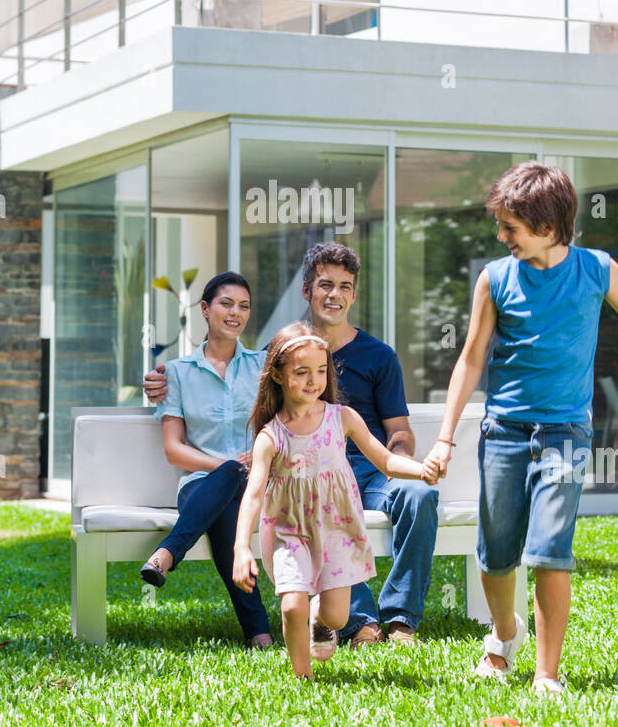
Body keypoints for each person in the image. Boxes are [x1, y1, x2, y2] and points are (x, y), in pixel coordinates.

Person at [424, 162, 618, 695]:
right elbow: (470, 358)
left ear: (549, 227)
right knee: (497, 553)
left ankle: (546, 674)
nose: (502, 236)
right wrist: (444, 437)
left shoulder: (597, 270)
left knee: (551, 548)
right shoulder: (496, 278)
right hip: (504, 430)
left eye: (511, 227)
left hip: (566, 433)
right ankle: (504, 633)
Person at [144, 242, 439, 648]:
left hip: (371, 467)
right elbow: (230, 380)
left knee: (419, 495)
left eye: (344, 286)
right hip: (308, 470)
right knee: (318, 504)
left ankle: (402, 619)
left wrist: (401, 461)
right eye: (325, 285)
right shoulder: (276, 357)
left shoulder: (379, 357)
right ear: (307, 291)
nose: (334, 294)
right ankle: (361, 621)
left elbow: (398, 431)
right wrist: (163, 380)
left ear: (353, 295)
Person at [232, 323, 435, 680]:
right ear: (278, 375)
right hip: (289, 530)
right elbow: (253, 494)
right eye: (302, 372)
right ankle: (303, 676)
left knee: (338, 617)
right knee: (291, 604)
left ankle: (318, 618)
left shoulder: (341, 418)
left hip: (336, 528)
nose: (314, 381)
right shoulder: (271, 436)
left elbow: (385, 460)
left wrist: (421, 470)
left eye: (321, 370)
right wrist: (240, 548)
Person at [140, 272, 273, 650]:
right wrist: (230, 467)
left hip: (258, 484)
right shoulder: (177, 373)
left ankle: (167, 554)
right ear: (205, 309)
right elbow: (173, 449)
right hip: (200, 486)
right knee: (225, 507)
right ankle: (259, 634)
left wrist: (249, 466)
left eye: (244, 306)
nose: (236, 313)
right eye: (226, 304)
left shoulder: (263, 366)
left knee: (228, 498)